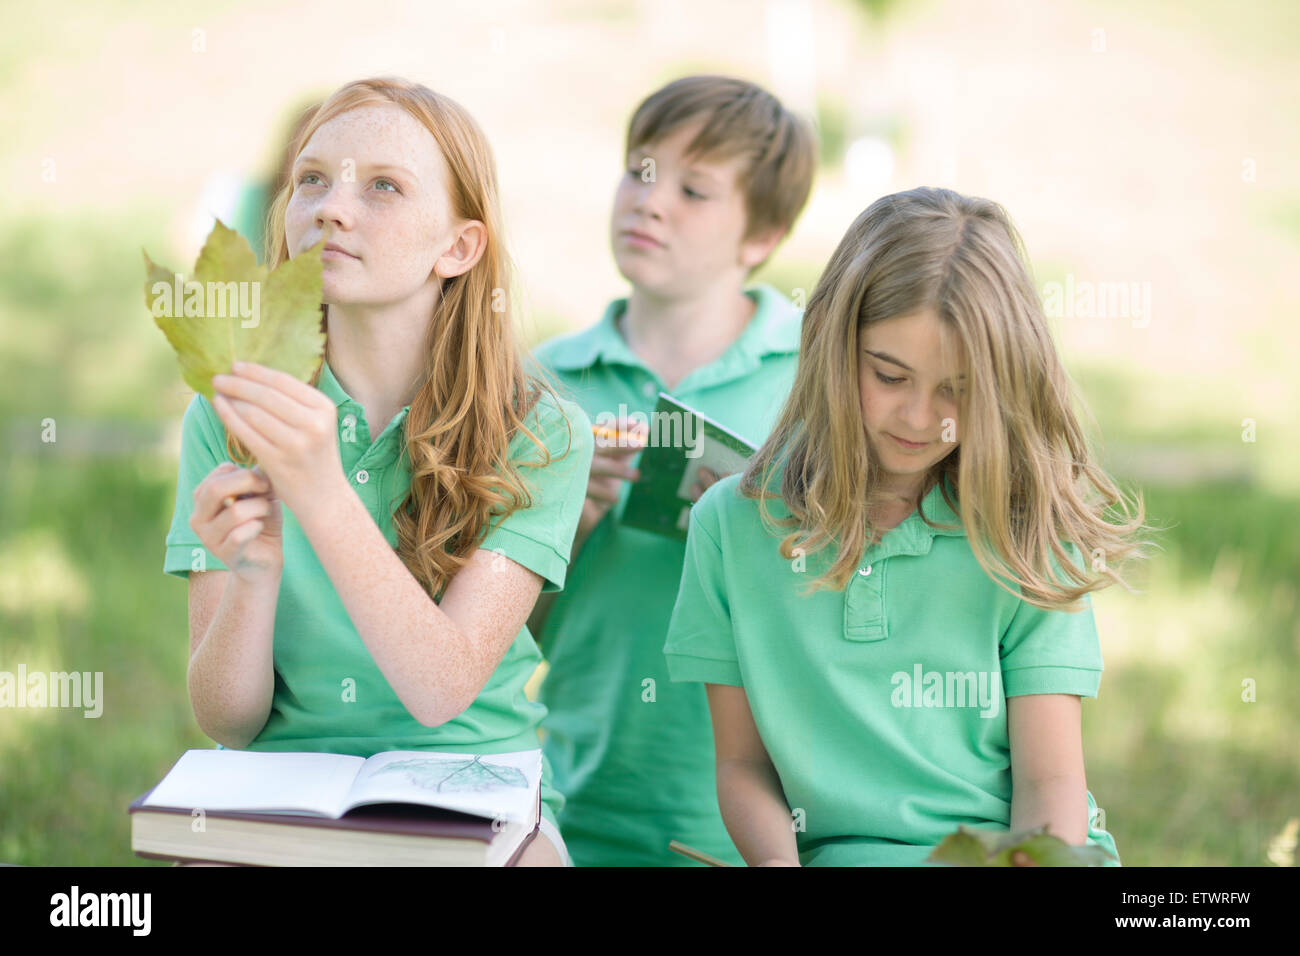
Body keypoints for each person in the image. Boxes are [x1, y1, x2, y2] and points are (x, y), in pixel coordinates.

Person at [163, 76, 593, 867]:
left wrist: (321, 492)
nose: (330, 207)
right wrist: (254, 575)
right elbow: (227, 720)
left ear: (458, 248)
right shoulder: (228, 414)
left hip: (468, 781)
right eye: (312, 180)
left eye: (385, 187)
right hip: (280, 783)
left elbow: (440, 689)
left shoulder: (543, 431)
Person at [664, 187, 1151, 866]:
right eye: (889, 375)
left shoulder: (1027, 532)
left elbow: (1052, 783)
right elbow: (743, 765)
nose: (922, 418)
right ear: (835, 345)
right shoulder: (732, 524)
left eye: (958, 389)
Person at [528, 75, 817, 866]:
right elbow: (502, 632)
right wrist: (564, 526)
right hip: (571, 794)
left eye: (694, 190)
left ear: (761, 239)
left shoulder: (817, 380)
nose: (649, 202)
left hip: (764, 814)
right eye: (640, 170)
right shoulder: (542, 383)